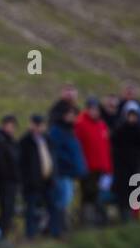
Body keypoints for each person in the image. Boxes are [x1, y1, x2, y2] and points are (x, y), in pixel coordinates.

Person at [45, 105, 86, 237]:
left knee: (66, 200)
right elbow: (55, 151)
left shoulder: (70, 130)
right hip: (61, 172)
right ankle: (56, 229)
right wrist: (67, 162)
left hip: (69, 173)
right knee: (61, 200)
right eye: (70, 114)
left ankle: (59, 228)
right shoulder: (57, 131)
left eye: (74, 114)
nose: (73, 117)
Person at [74, 99, 112, 226]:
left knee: (98, 194)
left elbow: (105, 147)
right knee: (88, 194)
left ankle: (97, 220)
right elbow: (78, 146)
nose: (95, 112)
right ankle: (87, 221)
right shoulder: (80, 124)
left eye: (97, 110)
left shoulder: (101, 125)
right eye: (92, 109)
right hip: (88, 166)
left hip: (101, 167)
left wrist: (108, 167)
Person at [111, 103, 140, 222]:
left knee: (137, 190)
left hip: (136, 165)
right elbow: (115, 147)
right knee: (123, 192)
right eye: (130, 115)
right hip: (122, 167)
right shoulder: (120, 129)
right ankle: (124, 216)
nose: (132, 118)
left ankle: (138, 216)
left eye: (134, 115)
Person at [18, 114, 54, 239]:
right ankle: (30, 235)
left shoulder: (47, 139)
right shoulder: (25, 141)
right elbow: (21, 164)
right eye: (36, 125)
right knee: (31, 209)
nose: (39, 128)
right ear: (31, 125)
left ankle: (54, 232)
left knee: (52, 206)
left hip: (47, 180)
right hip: (32, 182)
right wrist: (26, 180)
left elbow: (52, 158)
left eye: (41, 125)